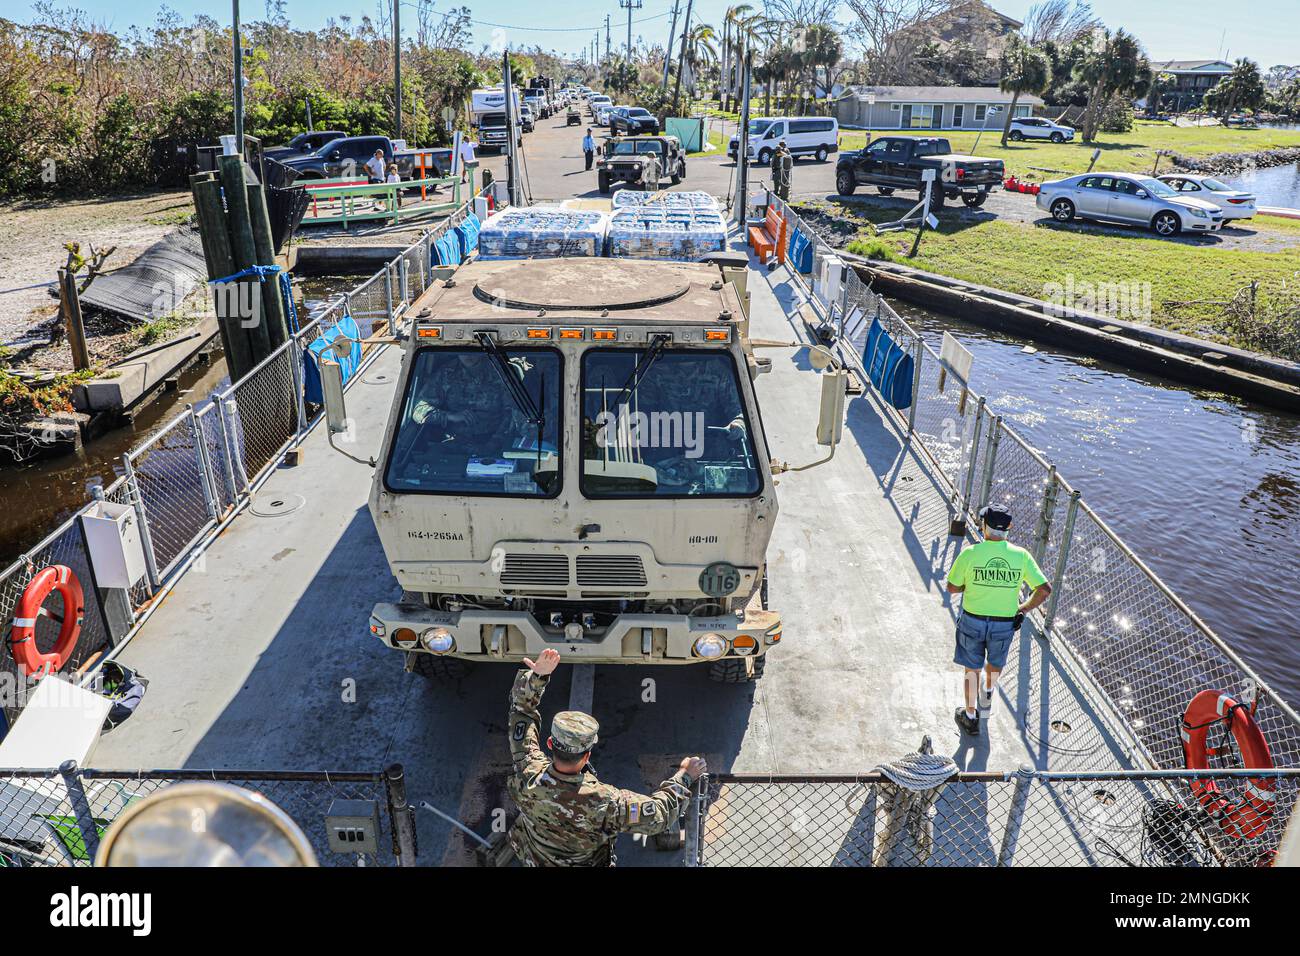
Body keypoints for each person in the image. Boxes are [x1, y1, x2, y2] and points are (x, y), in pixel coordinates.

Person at [507, 648, 706, 866]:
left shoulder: (528, 769)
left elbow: (521, 712)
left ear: (550, 744)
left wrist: (538, 676)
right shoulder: (606, 803)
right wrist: (686, 775)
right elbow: (659, 815)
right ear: (587, 755)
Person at [945, 506, 1052, 736]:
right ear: (1009, 528)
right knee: (996, 660)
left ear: (984, 527)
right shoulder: (1021, 556)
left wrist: (969, 585)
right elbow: (1044, 590)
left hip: (972, 621)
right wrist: (1022, 610)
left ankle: (971, 716)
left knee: (972, 668)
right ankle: (989, 690)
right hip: (1004, 624)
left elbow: (952, 587)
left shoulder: (970, 554)